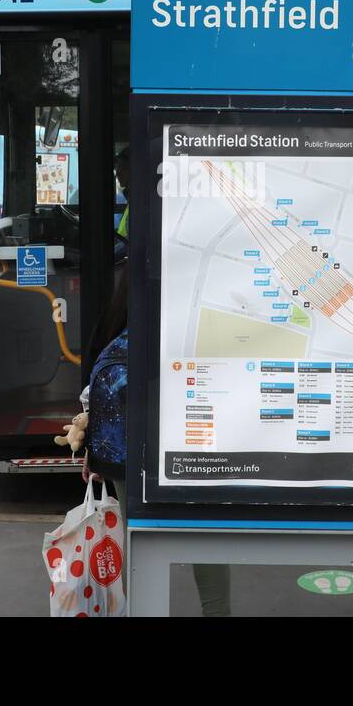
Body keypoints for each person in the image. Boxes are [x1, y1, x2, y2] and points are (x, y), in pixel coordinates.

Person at [64, 264, 232, 616]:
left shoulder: (121, 333)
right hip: (193, 451)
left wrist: (97, 452)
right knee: (205, 537)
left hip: (131, 459)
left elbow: (98, 395)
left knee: (137, 538)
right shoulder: (198, 322)